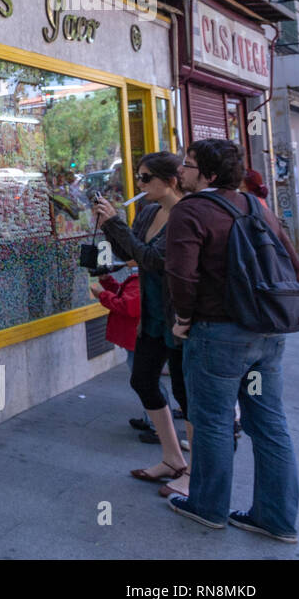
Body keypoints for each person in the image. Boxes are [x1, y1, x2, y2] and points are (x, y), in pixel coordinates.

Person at [165, 138, 299, 543]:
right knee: (270, 423)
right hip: (266, 333)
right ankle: (276, 518)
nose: (181, 173)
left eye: (187, 166)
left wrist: (183, 319)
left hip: (217, 334)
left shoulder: (191, 211)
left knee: (212, 423)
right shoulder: (256, 206)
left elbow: (182, 276)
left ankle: (207, 506)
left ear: (207, 174)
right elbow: (294, 265)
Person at [92, 152, 188, 488]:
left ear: (171, 181)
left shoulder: (184, 216)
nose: (140, 184)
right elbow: (129, 254)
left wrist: (116, 223)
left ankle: (194, 472)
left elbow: (153, 258)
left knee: (184, 390)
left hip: (178, 314)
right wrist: (108, 226)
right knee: (143, 379)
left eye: (146, 178)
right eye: (139, 177)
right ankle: (172, 456)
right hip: (151, 314)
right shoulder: (148, 213)